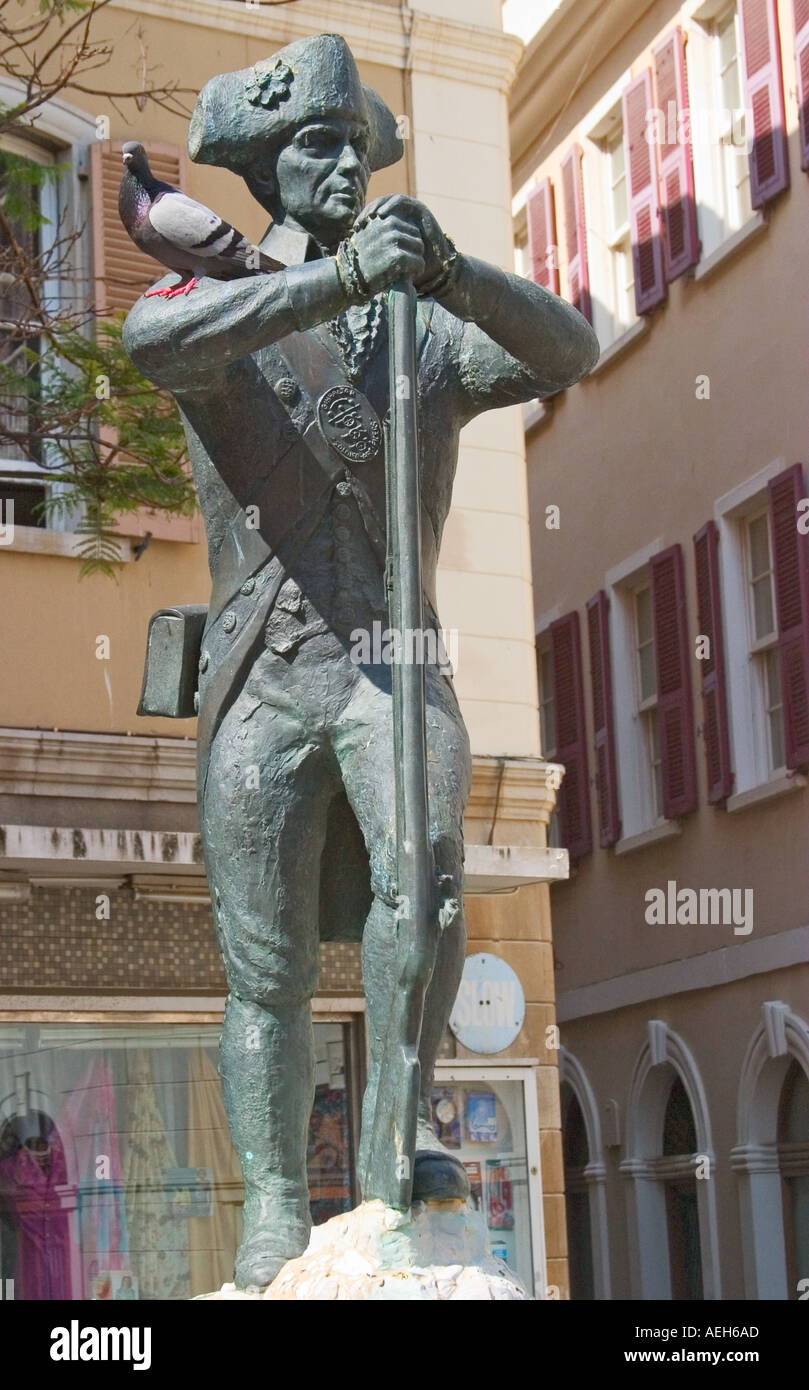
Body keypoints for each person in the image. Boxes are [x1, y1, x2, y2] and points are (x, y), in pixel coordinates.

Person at [124, 32, 598, 1288]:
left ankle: (400, 1146)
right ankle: (275, 1206)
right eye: (314, 146)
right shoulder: (215, 303)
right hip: (262, 677)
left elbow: (568, 350)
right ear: (267, 172)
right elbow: (152, 345)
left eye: (355, 146)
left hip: (395, 671)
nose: (342, 166)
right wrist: (335, 290)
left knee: (432, 888)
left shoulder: (423, 334)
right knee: (264, 967)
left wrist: (449, 273)